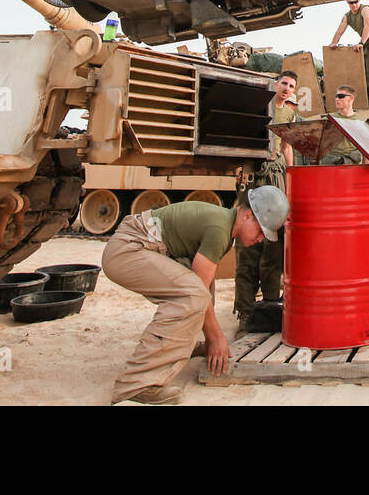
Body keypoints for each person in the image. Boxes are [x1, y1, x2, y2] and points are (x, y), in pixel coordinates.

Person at [102, 188, 289, 404]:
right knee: (193, 294)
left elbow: (204, 284)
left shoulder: (224, 225)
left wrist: (209, 337)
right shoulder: (219, 229)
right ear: (247, 215)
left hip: (133, 246)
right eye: (260, 231)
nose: (260, 239)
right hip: (128, 250)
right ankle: (135, 386)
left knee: (200, 291)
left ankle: (179, 346)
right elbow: (198, 291)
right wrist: (215, 338)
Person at [233, 69, 299, 328]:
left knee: (274, 247)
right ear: (275, 84)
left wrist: (291, 179)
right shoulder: (259, 106)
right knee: (247, 248)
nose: (286, 88)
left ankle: (271, 306)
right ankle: (245, 311)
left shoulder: (289, 113)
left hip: (278, 178)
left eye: (291, 85)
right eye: (283, 83)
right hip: (254, 177)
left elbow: (287, 146)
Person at [330, 0, 369, 108]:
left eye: (356, 2)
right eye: (351, 3)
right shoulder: (347, 16)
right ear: (347, 3)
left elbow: (368, 25)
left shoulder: (365, 9)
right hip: (366, 42)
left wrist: (361, 42)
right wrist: (333, 43)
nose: (354, 5)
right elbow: (339, 31)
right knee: (364, 71)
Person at [321, 85, 364, 165]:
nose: (337, 99)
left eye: (341, 96)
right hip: (331, 162)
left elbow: (365, 148)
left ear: (351, 99)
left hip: (352, 162)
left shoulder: (360, 122)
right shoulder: (328, 119)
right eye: (336, 96)